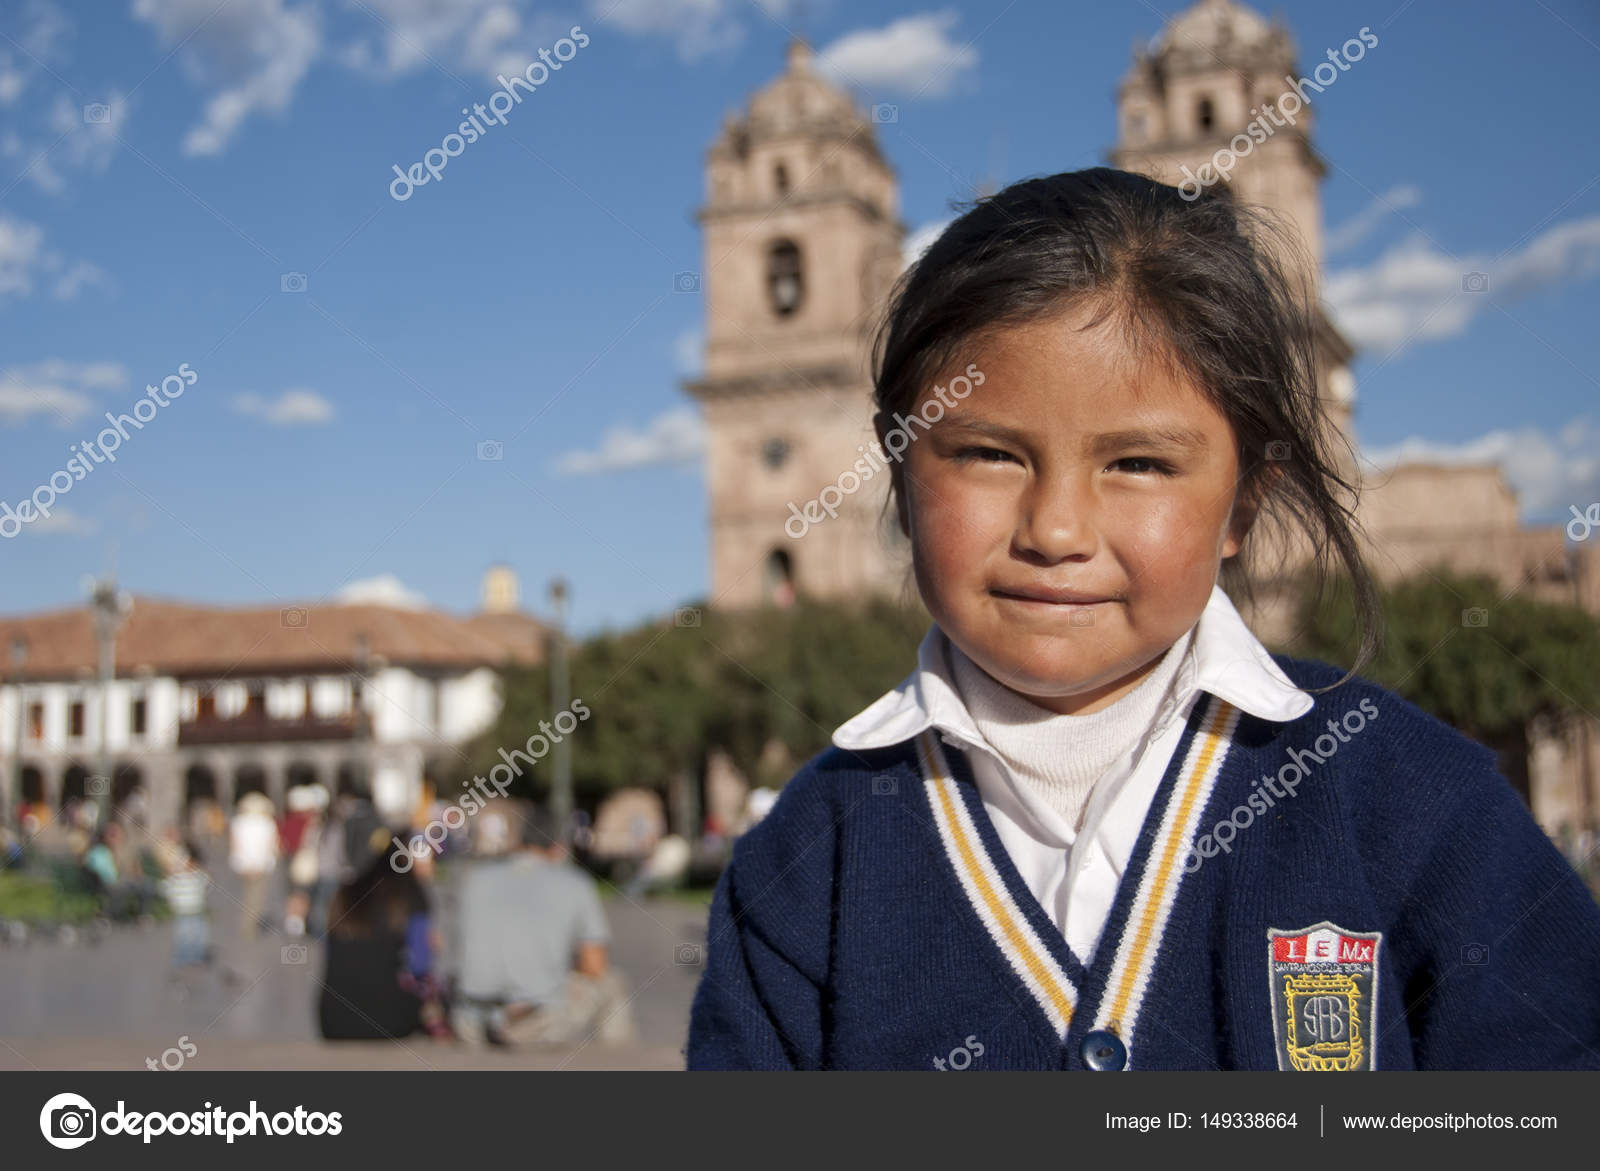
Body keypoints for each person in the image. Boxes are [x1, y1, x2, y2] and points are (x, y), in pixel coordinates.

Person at [687, 168, 1600, 1071]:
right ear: (899, 476)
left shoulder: (1420, 807)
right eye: (987, 453)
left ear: (1243, 504)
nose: (1055, 530)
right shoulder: (809, 861)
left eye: (1140, 465)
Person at [448, 803, 635, 1048]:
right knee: (613, 984)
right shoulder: (575, 883)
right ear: (559, 846)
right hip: (533, 1023)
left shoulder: (475, 878)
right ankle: (617, 1063)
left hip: (470, 1021)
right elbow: (595, 965)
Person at [317, 846, 434, 1040]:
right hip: (389, 1022)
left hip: (333, 1022)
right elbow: (421, 964)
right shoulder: (410, 896)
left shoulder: (342, 896)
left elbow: (332, 961)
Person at [228, 792, 279, 939]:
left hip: (243, 865)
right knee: (256, 896)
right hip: (261, 865)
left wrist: (239, 862)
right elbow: (271, 845)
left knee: (247, 894)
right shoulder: (268, 823)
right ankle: (250, 925)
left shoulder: (238, 822)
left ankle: (247, 923)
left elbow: (234, 844)